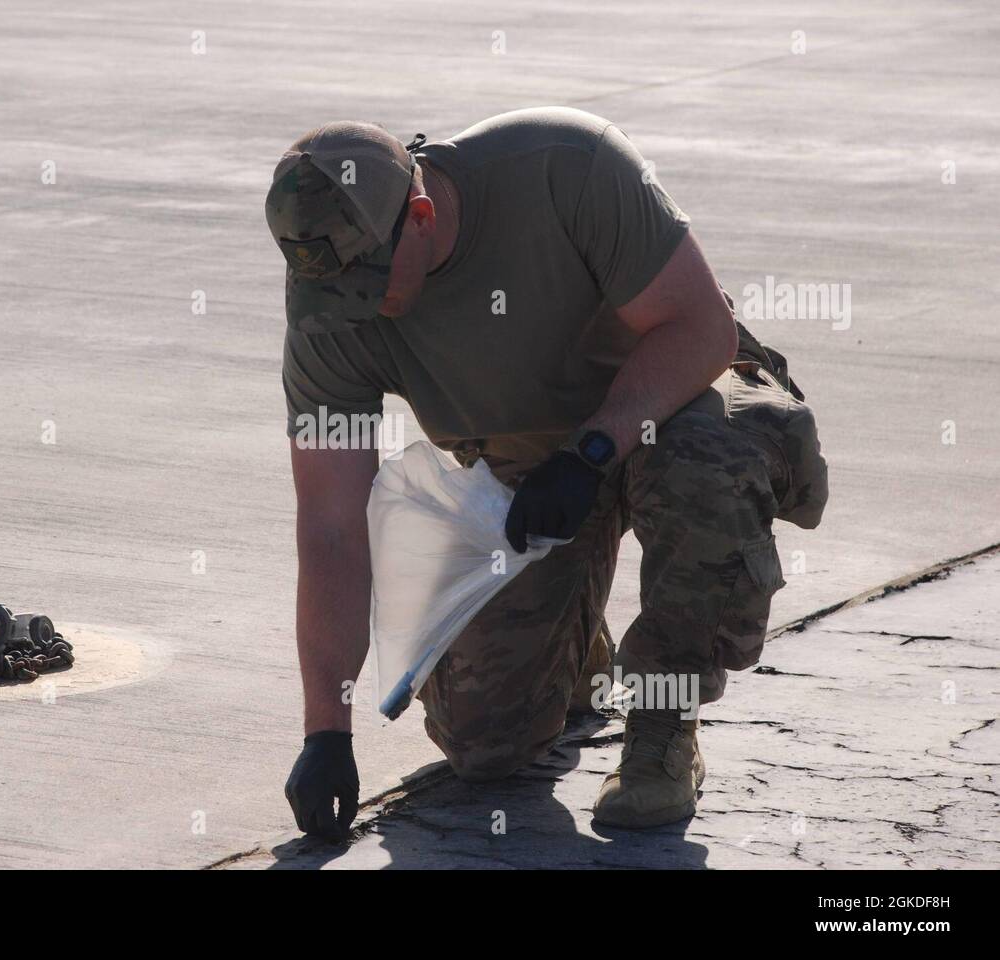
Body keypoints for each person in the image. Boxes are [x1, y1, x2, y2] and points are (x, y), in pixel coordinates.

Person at [266, 107, 828, 840]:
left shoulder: (569, 164)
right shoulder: (330, 317)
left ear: (423, 213)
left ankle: (662, 726)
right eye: (333, 287)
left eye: (368, 276)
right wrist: (325, 734)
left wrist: (592, 451)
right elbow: (332, 527)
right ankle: (574, 641)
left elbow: (700, 330)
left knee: (705, 466)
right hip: (536, 468)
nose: (359, 304)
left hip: (675, 400)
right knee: (484, 748)